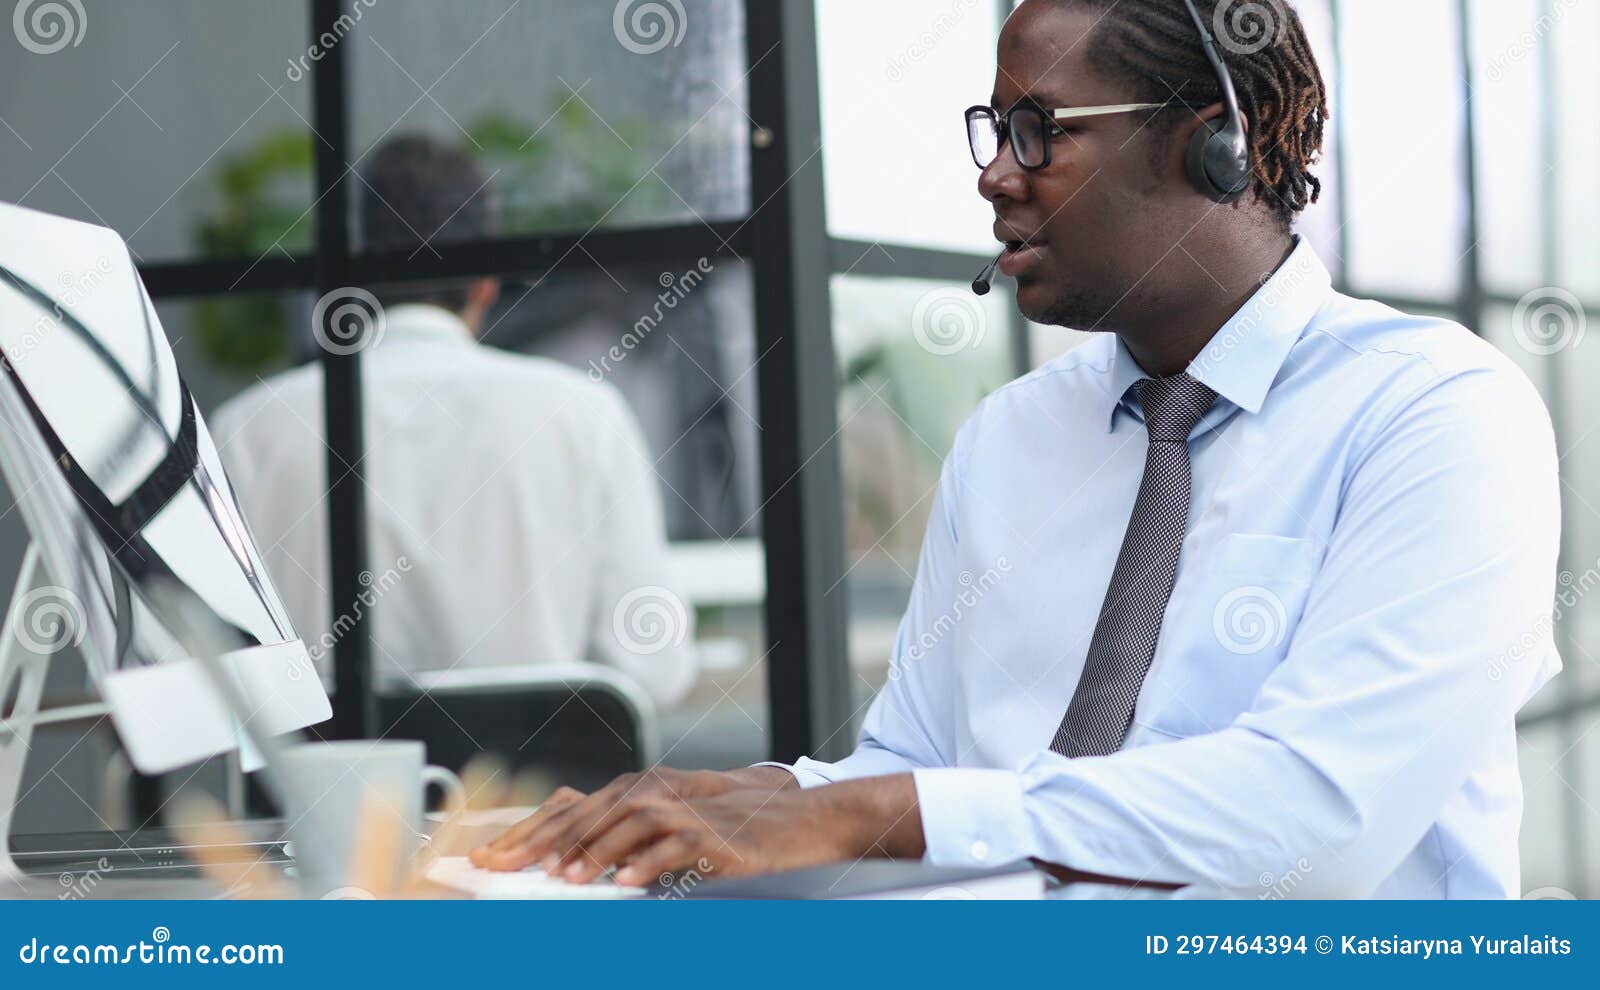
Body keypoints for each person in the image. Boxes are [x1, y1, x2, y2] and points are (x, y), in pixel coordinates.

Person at [471, 0, 1559, 897]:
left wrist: (876, 810)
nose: (996, 174)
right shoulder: (1011, 437)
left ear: (1208, 144)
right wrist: (729, 808)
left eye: (1040, 129)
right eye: (992, 129)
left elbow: (1323, 819)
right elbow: (919, 770)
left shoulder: (1435, 414)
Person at [212, 134, 695, 709]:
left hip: (322, 795)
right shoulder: (587, 416)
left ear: (349, 278)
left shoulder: (246, 430)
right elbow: (653, 671)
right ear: (487, 283)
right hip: (540, 795)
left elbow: (207, 677)